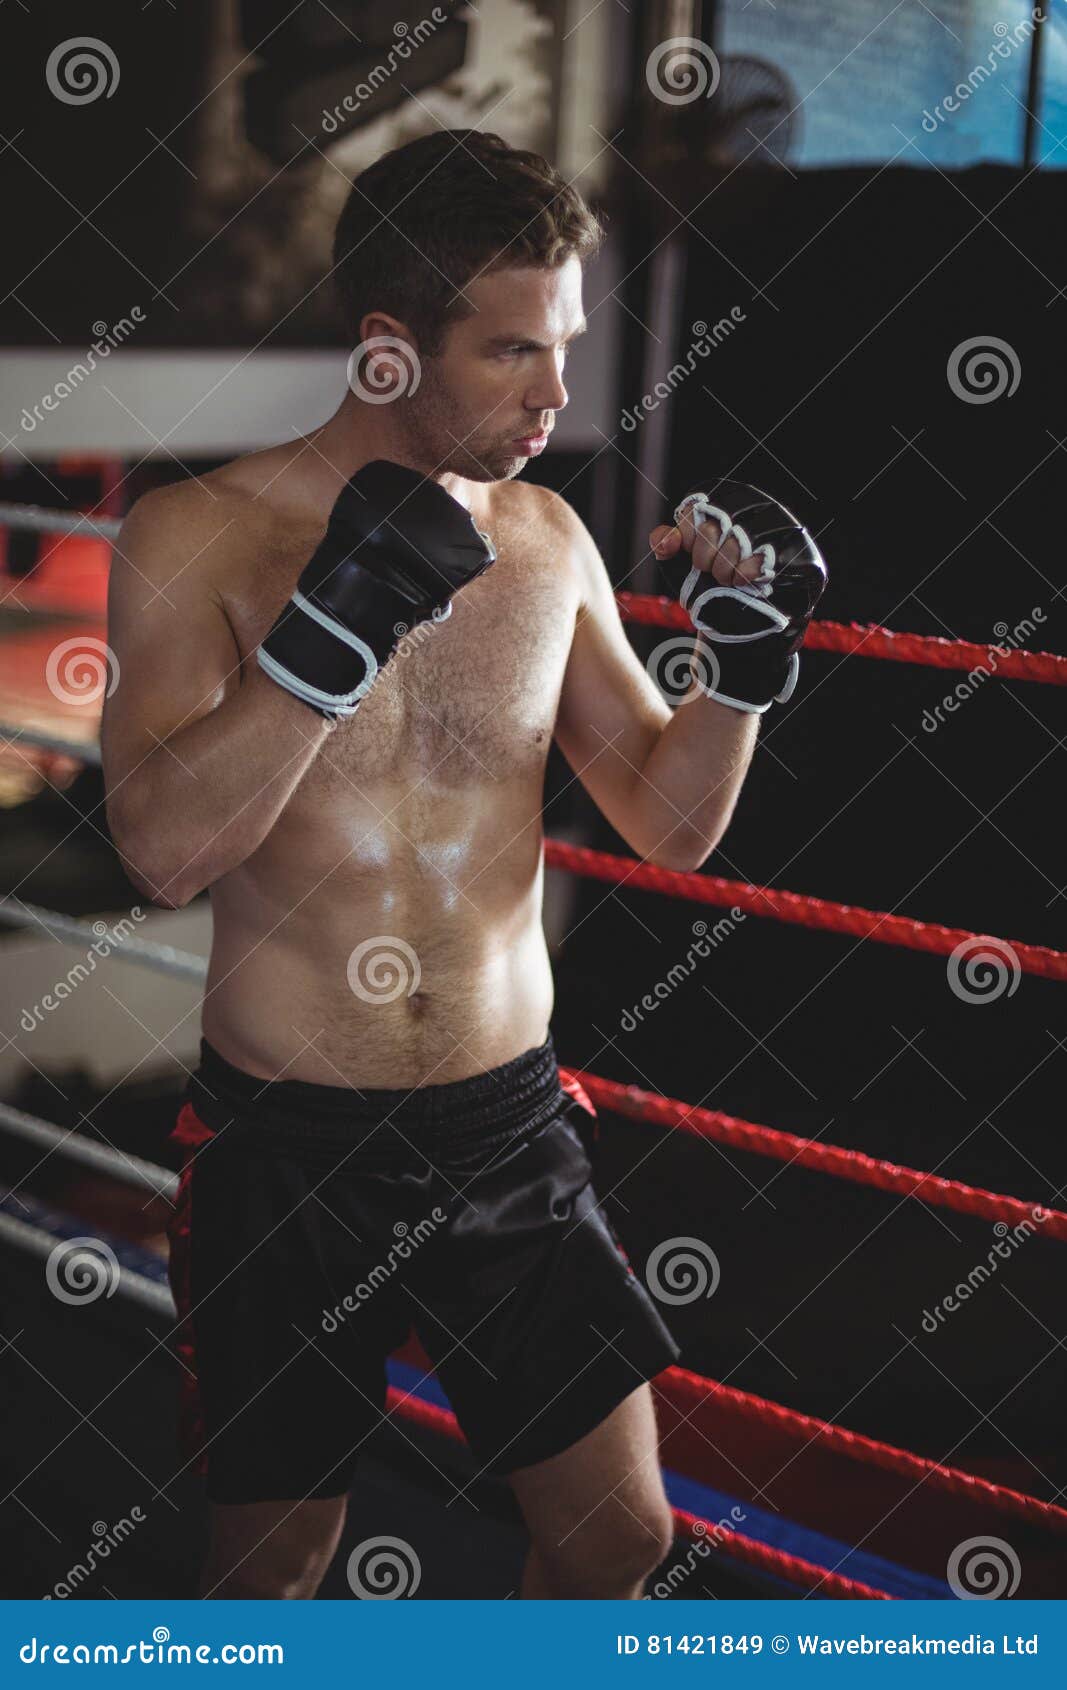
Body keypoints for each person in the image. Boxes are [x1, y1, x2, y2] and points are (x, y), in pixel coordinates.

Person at [101, 128, 825, 1600]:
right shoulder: (196, 537)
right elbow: (164, 851)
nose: (558, 393)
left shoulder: (549, 542)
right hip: (286, 1148)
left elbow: (667, 824)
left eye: (562, 345)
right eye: (510, 351)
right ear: (387, 350)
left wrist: (741, 674)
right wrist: (323, 644)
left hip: (505, 1131)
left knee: (622, 1533)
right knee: (278, 1563)